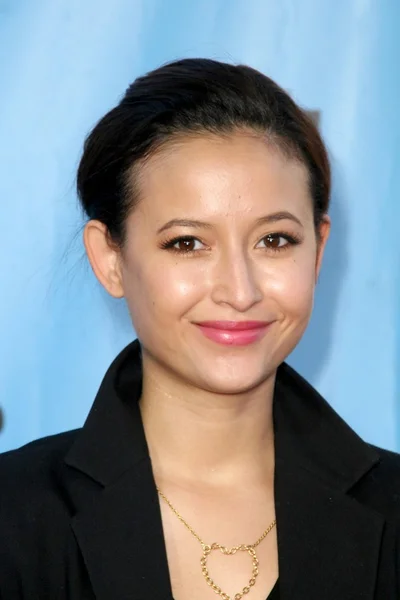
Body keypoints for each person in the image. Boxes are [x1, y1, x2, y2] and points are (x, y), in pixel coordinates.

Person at [1, 58, 399, 600]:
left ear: (319, 249)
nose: (240, 291)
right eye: (187, 243)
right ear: (110, 258)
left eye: (275, 240)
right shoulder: (14, 516)